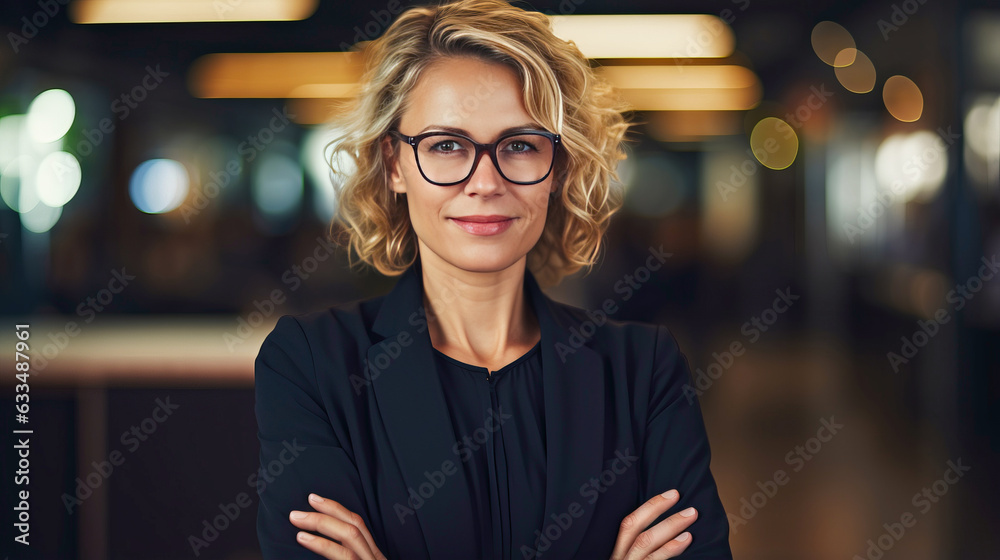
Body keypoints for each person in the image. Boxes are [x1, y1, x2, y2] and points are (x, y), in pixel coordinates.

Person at [253, 0, 734, 558]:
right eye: (446, 145)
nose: (484, 182)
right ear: (393, 164)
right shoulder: (311, 365)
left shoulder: (642, 371)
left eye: (521, 145)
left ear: (559, 168)